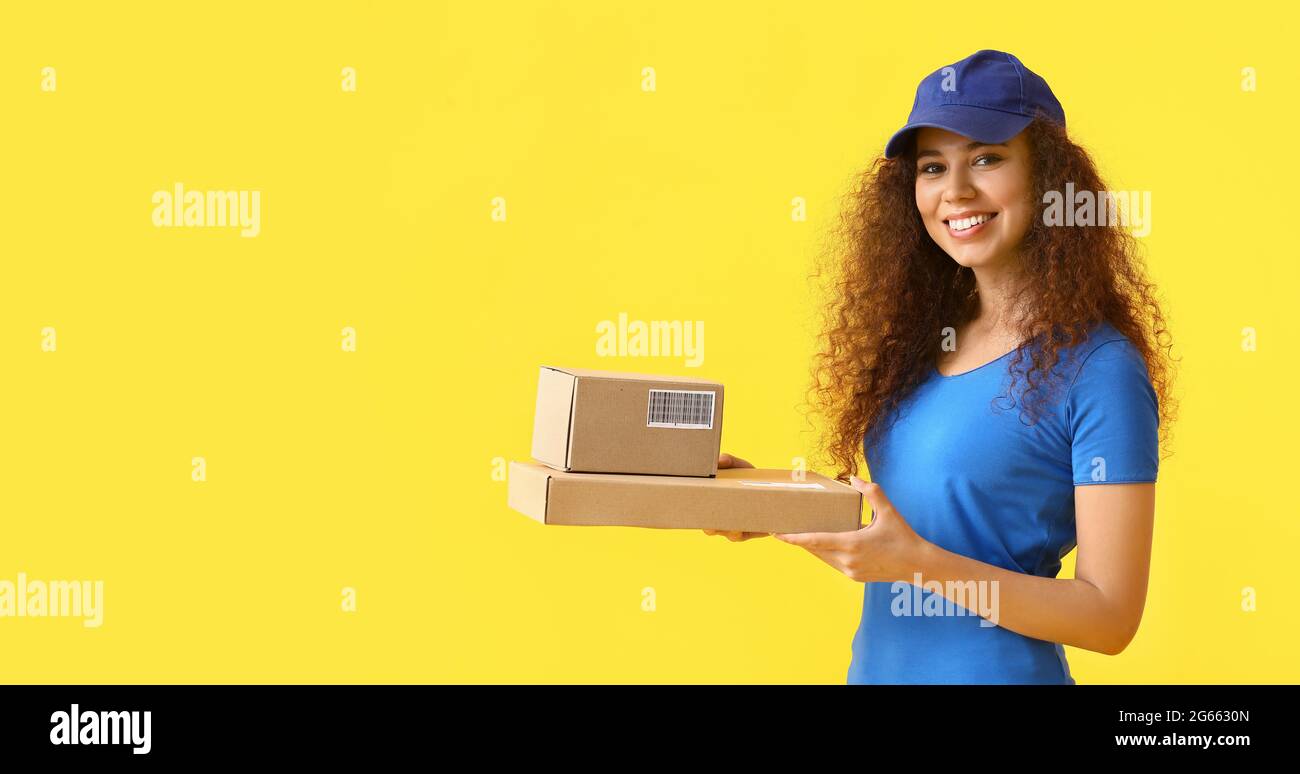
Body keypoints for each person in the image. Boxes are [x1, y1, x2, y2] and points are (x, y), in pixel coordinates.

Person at [704, 49, 1176, 684]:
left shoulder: (1099, 368)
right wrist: (769, 502)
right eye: (933, 167)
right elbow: (905, 529)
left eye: (986, 157)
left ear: (1048, 177)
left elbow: (1109, 616)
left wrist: (918, 564)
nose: (955, 190)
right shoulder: (920, 346)